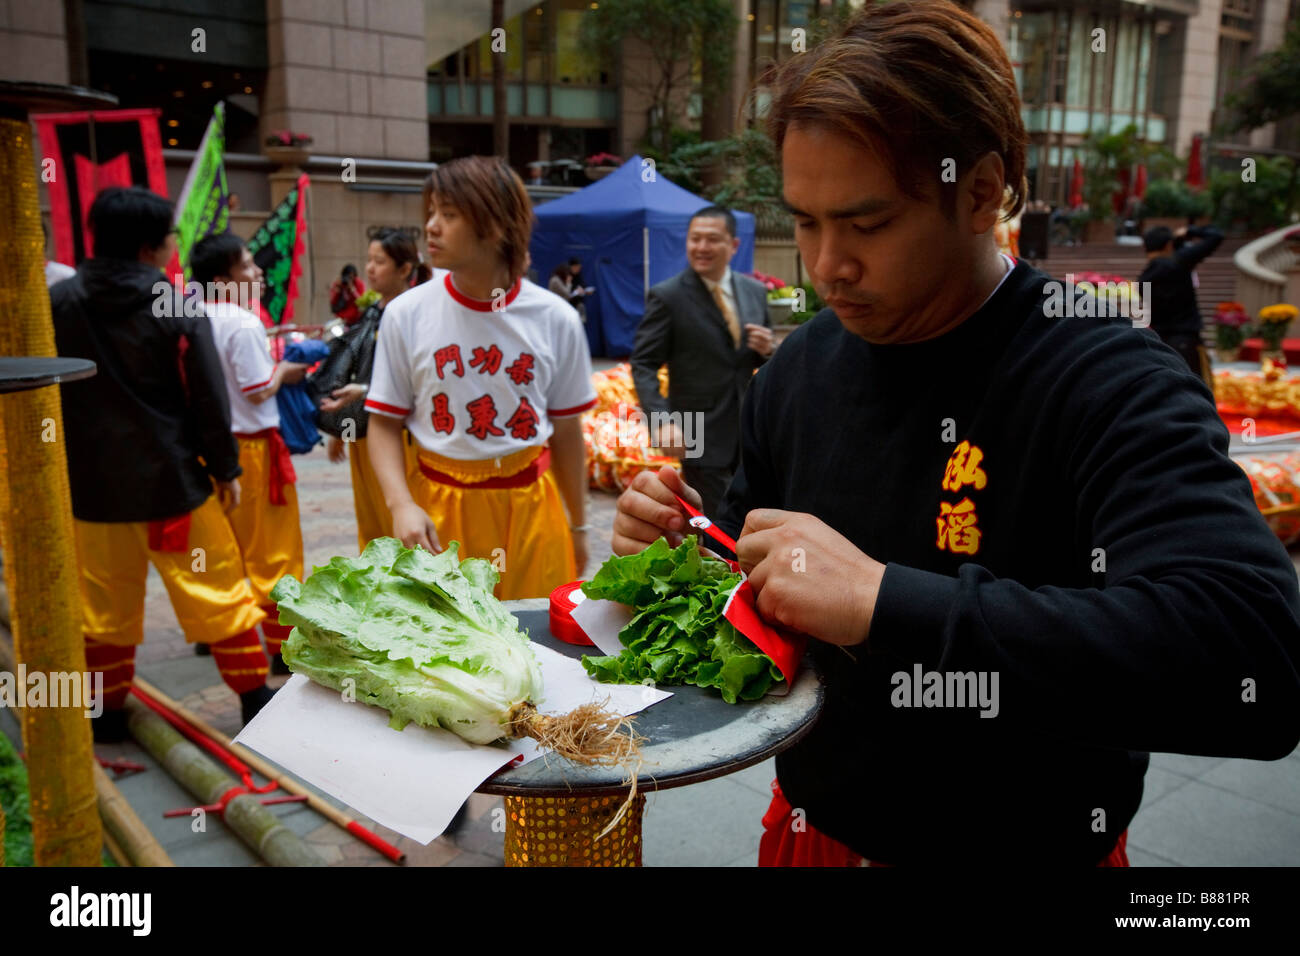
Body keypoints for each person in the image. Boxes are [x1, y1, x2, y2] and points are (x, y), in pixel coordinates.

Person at [611, 0, 1300, 866]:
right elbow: (751, 572)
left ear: (980, 191)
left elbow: (1255, 667)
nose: (826, 268)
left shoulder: (1105, 372)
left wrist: (883, 601)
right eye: (806, 222)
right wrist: (683, 548)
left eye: (868, 224)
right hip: (813, 837)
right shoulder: (797, 369)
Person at [50, 187, 277, 738]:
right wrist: (226, 469)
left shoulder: (58, 302)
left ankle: (106, 713)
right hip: (171, 482)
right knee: (217, 587)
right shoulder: (174, 302)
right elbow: (205, 394)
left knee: (103, 600)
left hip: (91, 486)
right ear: (152, 245)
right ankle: (252, 700)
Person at [365, 156, 597, 597]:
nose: (431, 226)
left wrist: (579, 524)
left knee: (537, 644)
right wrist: (401, 506)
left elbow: (567, 431)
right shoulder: (405, 314)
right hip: (439, 510)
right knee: (446, 651)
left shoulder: (556, 319)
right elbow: (383, 422)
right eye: (431, 212)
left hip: (531, 508)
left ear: (495, 226)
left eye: (448, 215)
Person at [190, 232, 305, 675]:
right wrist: (284, 372)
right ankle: (279, 649)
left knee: (223, 545)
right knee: (271, 549)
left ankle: (218, 632)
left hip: (207, 448)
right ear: (224, 279)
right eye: (248, 266)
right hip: (252, 451)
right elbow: (258, 391)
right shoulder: (241, 322)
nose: (258, 273)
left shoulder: (192, 317)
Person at [629, 205, 773, 516]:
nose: (701, 247)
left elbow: (755, 357)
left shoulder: (754, 292)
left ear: (733, 245)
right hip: (696, 428)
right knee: (716, 519)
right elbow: (643, 363)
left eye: (712, 239)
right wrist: (663, 422)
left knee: (751, 513)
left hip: (749, 426)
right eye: (695, 239)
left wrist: (769, 349)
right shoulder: (668, 297)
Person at [308, 229, 428, 552]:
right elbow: (361, 370)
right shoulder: (374, 312)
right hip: (365, 430)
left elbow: (415, 382)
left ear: (405, 270)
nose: (370, 269)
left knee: (400, 518)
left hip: (399, 435)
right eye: (369, 260)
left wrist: (362, 392)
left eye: (380, 261)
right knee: (372, 522)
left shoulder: (415, 314)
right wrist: (342, 427)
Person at [1139, 223, 1224, 386]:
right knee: (1197, 389)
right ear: (1168, 244)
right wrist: (1189, 231)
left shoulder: (1144, 278)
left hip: (1161, 344)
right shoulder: (1179, 262)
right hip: (1187, 341)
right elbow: (1216, 235)